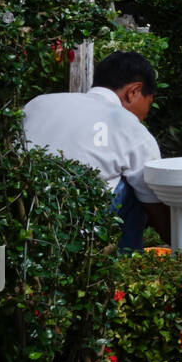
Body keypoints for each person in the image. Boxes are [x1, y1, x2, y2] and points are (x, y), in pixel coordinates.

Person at [23, 51, 168, 252]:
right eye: (148, 105)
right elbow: (153, 204)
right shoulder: (129, 125)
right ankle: (124, 268)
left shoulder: (38, 103)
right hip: (80, 226)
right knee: (138, 186)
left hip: (24, 214)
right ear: (134, 91)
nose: (145, 115)